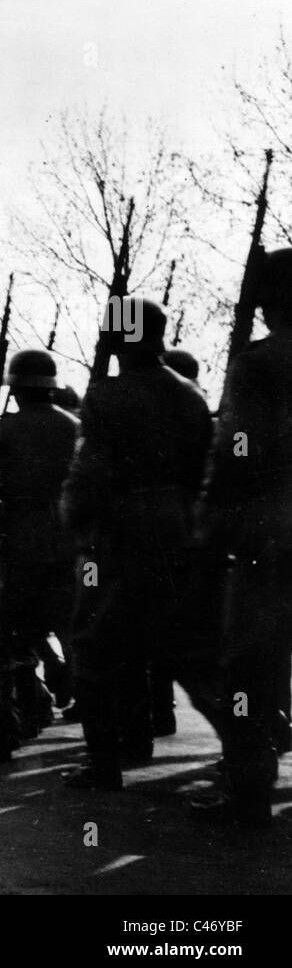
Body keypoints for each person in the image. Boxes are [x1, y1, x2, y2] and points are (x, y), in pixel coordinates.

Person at [61, 298, 213, 792]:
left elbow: (91, 473)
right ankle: (247, 753)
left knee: (92, 643)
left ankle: (104, 763)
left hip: (119, 532)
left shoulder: (107, 396)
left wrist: (76, 521)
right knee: (184, 650)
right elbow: (201, 472)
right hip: (178, 529)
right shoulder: (189, 394)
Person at [195, 247, 292, 826]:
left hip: (272, 534)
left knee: (249, 670)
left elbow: (240, 444)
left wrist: (214, 521)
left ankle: (248, 792)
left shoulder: (259, 363)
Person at [0, 351, 79, 761]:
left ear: (14, 389)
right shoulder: (76, 429)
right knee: (76, 637)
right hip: (69, 547)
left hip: (15, 550)